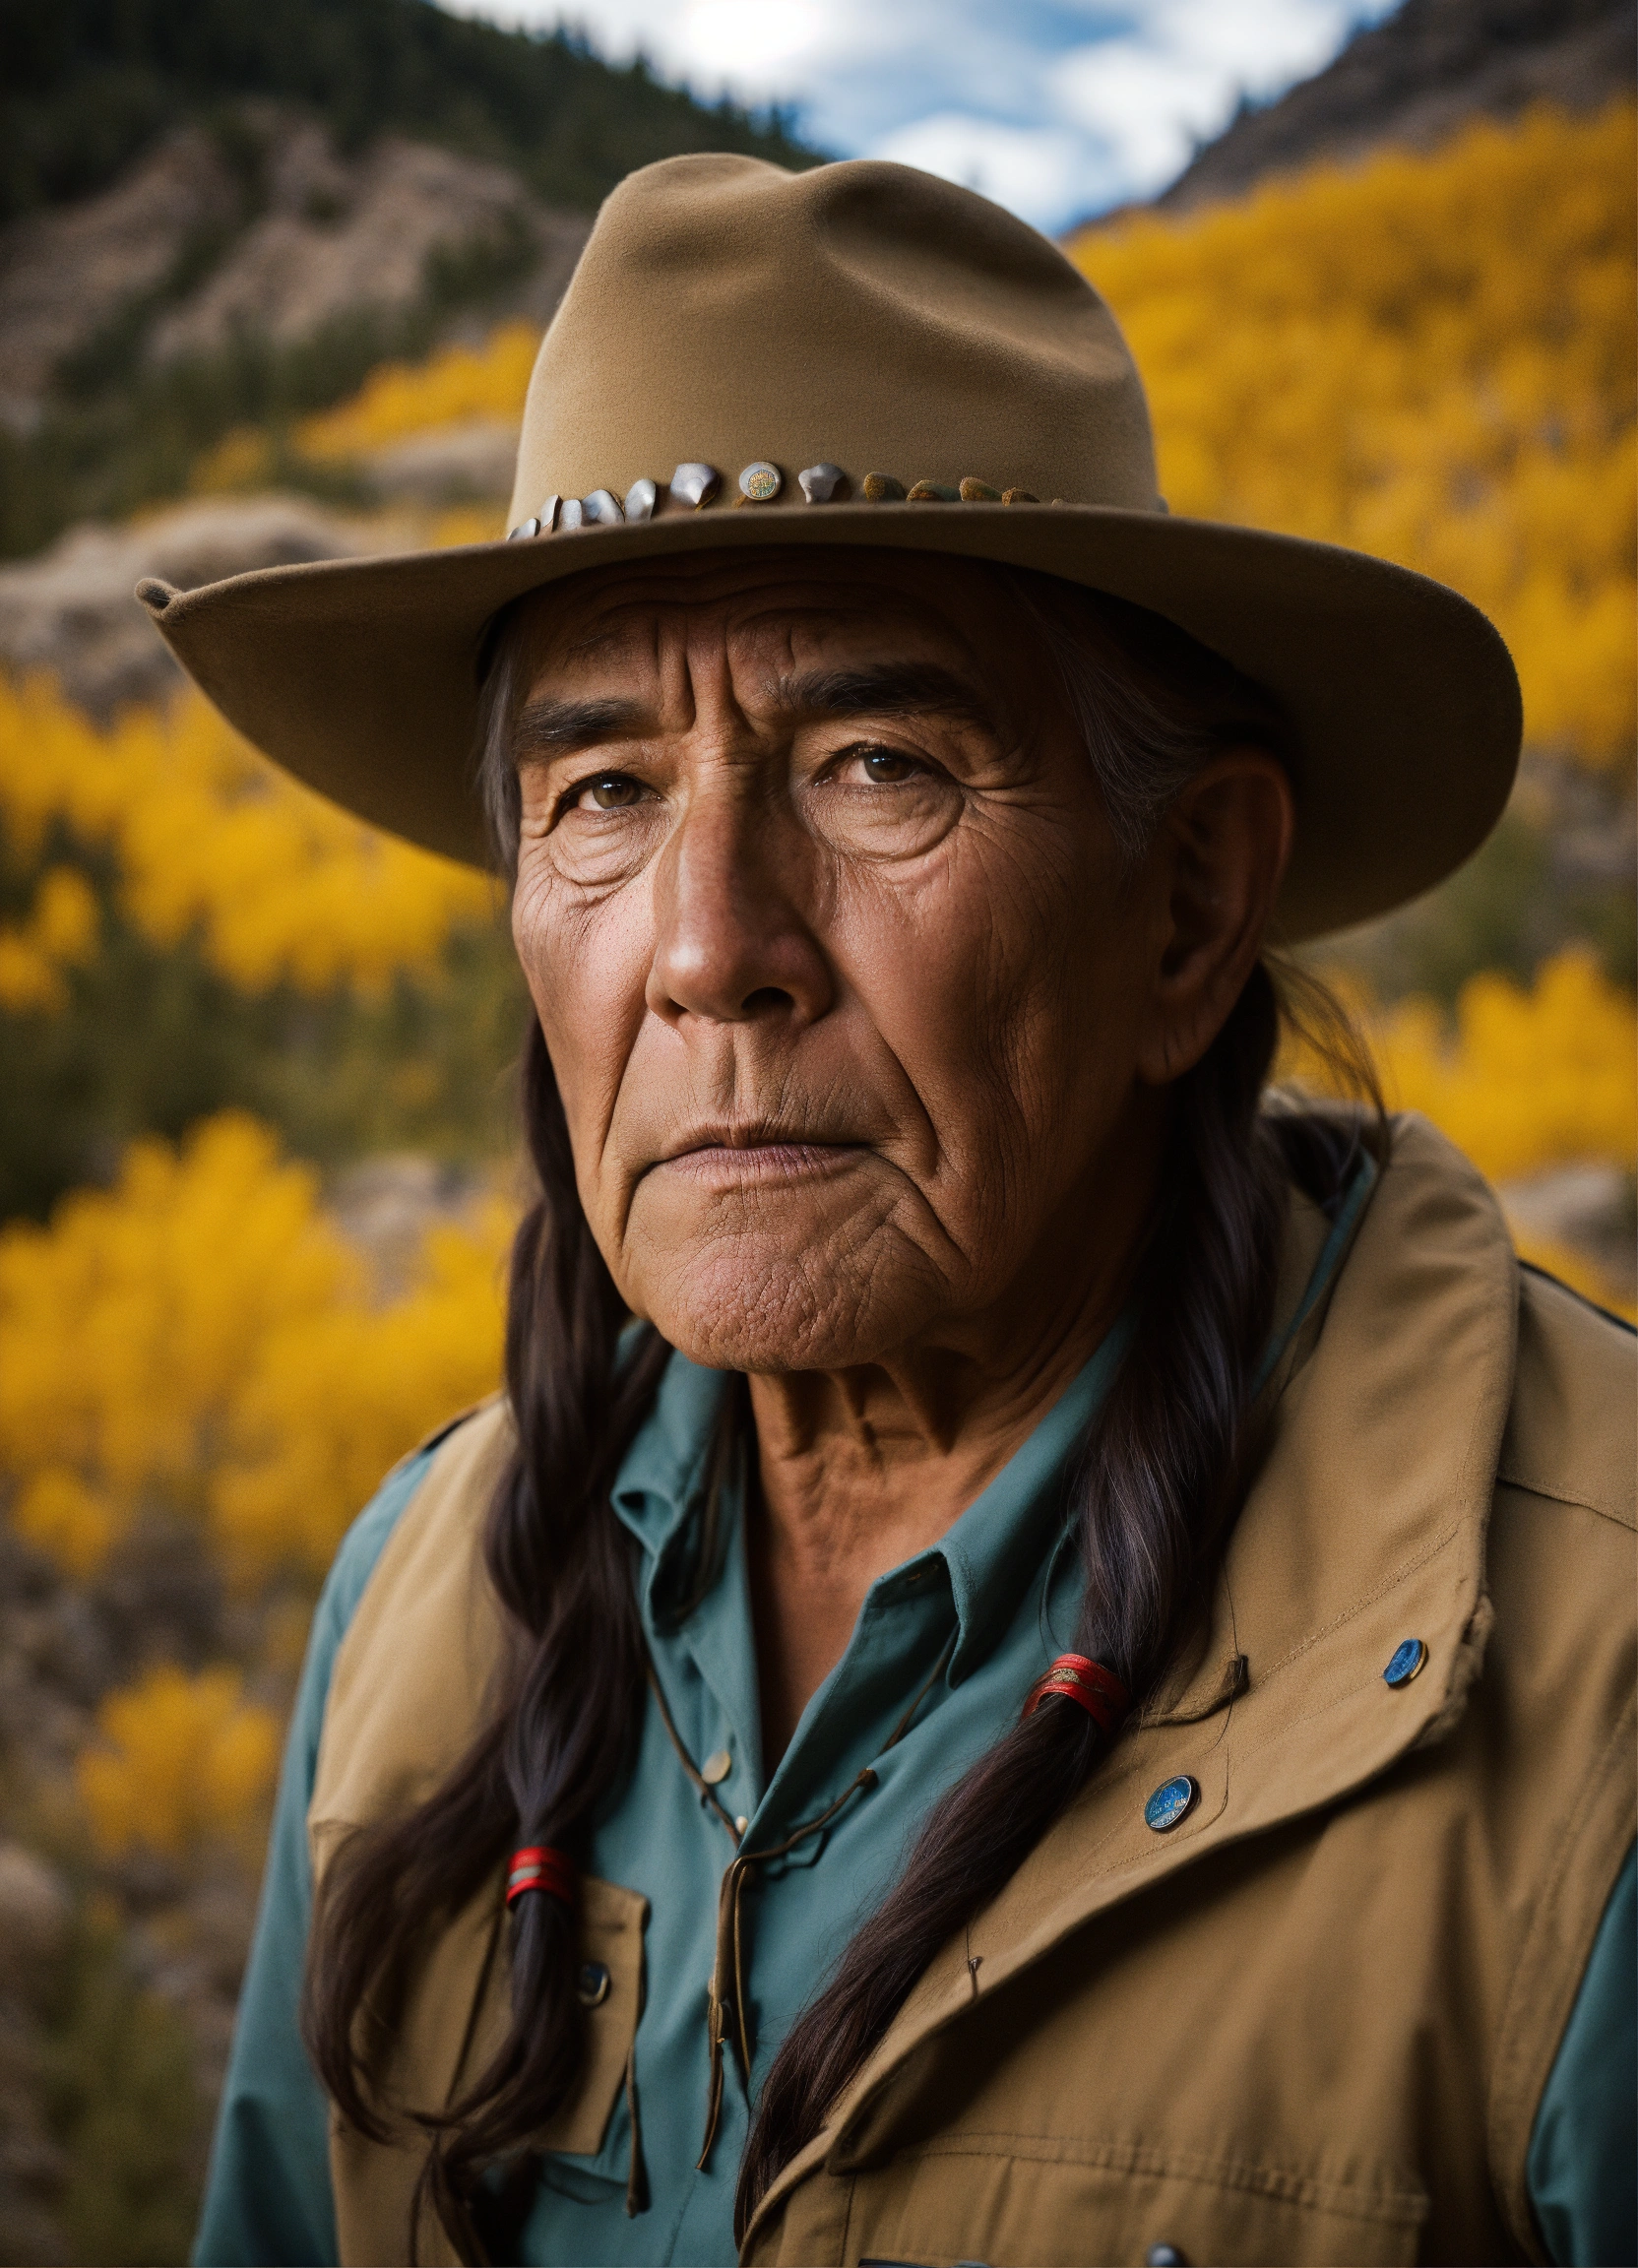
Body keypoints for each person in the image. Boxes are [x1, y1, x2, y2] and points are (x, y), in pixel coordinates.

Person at [144, 154, 1634, 2268]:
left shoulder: (1592, 1673)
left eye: (875, 763)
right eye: (602, 792)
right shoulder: (428, 1602)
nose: (708, 946)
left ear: (1189, 904)